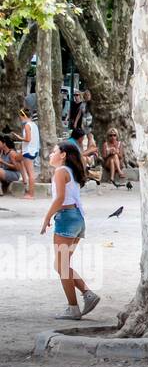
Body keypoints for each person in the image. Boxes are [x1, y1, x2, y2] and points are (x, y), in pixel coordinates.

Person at [40, 140, 101, 320]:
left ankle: (73, 308)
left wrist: (46, 218)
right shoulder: (70, 172)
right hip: (77, 219)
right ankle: (88, 294)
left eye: (54, 151)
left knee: (62, 266)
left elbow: (59, 199)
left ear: (63, 155)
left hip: (66, 218)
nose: (51, 154)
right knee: (61, 265)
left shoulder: (60, 172)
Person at [18, 107, 39, 199]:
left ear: (24, 116)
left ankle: (31, 194)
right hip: (34, 150)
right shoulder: (34, 125)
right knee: (31, 173)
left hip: (28, 151)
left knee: (31, 174)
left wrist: (19, 138)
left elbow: (27, 139)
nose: (20, 119)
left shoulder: (27, 125)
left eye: (21, 117)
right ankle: (29, 191)